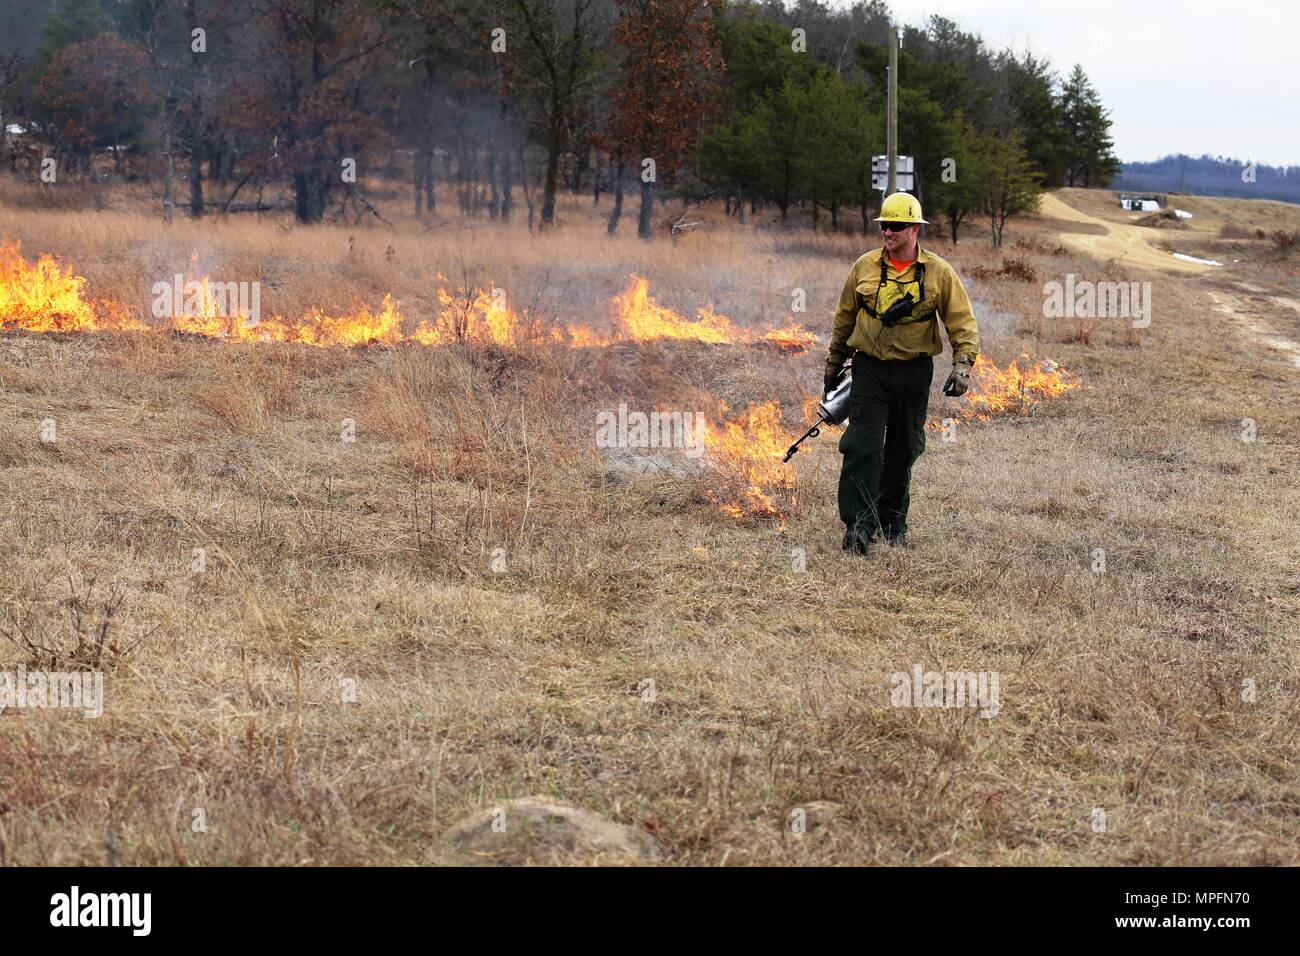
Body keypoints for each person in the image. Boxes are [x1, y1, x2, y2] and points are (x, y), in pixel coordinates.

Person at [823, 192, 980, 554]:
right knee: (862, 445)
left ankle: (892, 521)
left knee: (903, 447)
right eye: (883, 226)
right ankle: (859, 526)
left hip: (913, 372)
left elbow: (961, 321)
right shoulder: (863, 267)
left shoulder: (939, 272)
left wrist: (962, 365)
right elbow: (844, 318)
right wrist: (834, 363)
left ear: (914, 230)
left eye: (894, 227)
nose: (887, 233)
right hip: (870, 370)